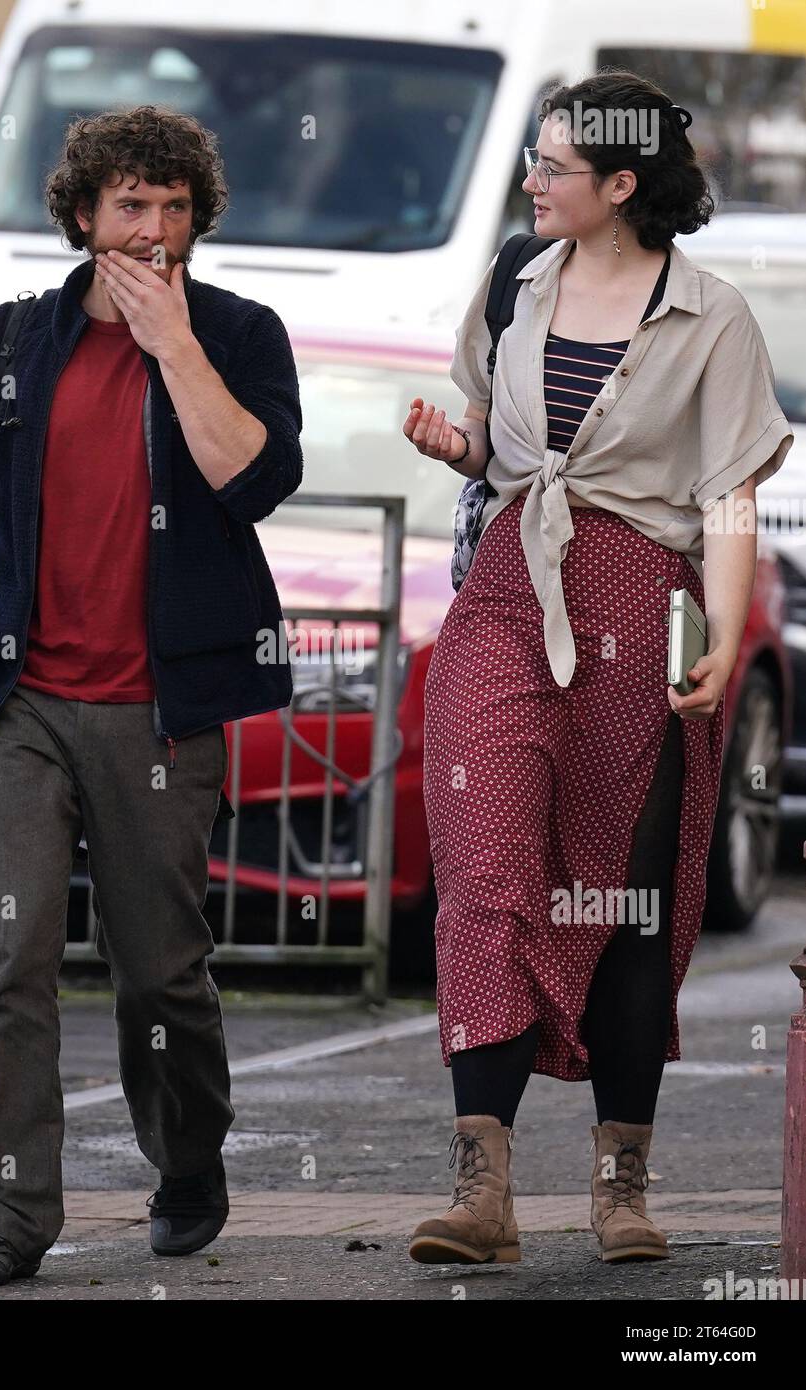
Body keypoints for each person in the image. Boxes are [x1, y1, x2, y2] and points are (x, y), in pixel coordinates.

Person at [0, 105, 302, 1285]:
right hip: (21, 697)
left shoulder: (239, 334)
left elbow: (257, 480)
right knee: (5, 951)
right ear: (83, 215)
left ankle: (188, 1158)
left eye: (175, 209)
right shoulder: (10, 344)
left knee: (160, 970)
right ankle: (4, 1213)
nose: (153, 231)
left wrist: (174, 345)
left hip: (160, 708)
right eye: (130, 206)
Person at [402, 70, 793, 1267]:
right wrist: (454, 443)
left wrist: (722, 643)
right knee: (487, 869)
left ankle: (621, 1184)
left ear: (622, 187)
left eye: (552, 165)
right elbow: (497, 443)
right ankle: (482, 1184)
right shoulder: (512, 286)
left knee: (623, 896)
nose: (530, 178)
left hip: (644, 599)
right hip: (511, 593)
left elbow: (728, 493)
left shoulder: (712, 314)